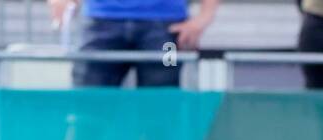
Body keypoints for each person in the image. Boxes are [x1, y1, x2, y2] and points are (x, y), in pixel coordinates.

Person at [49, 0, 218, 87]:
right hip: (99, 24)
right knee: (85, 116)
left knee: (164, 111)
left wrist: (205, 16)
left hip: (167, 30)